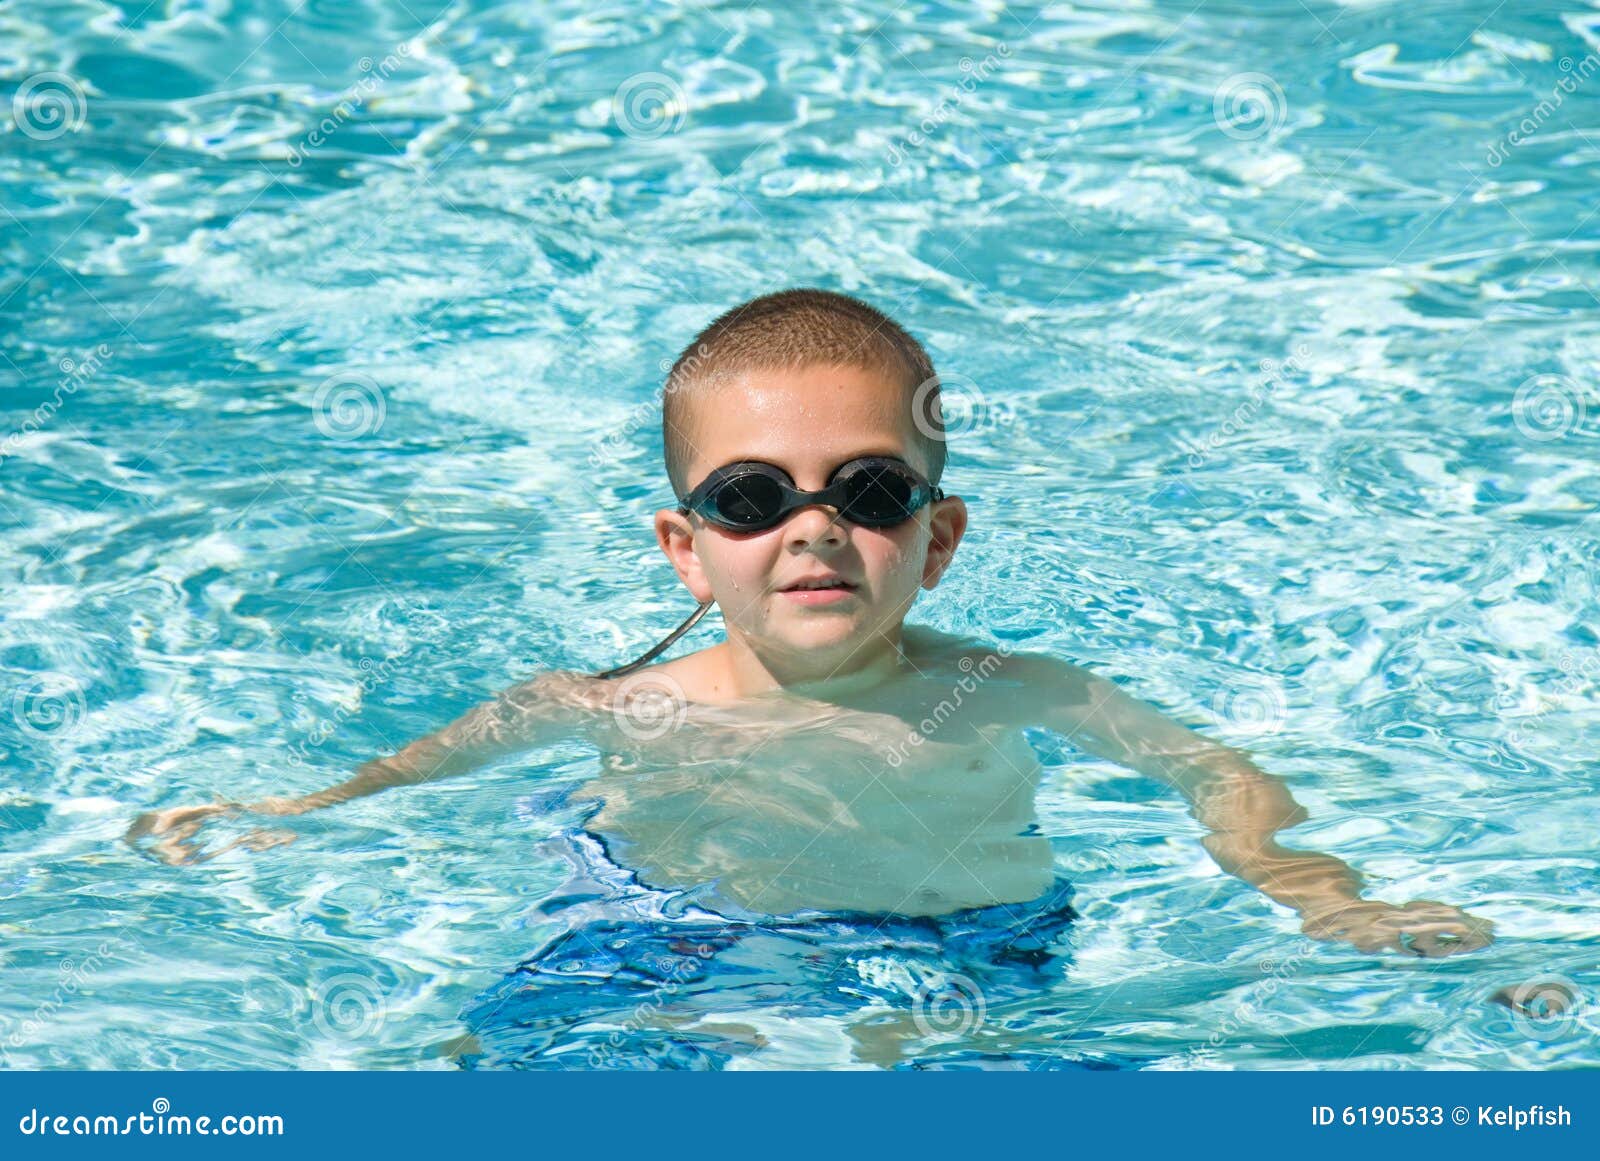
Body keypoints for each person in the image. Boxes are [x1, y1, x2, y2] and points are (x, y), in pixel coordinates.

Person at [127, 288, 1494, 1066]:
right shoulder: (594, 703)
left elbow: (1211, 768)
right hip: (655, 948)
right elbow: (406, 772)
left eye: (871, 488)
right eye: (749, 496)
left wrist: (1325, 900)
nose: (814, 526)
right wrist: (290, 813)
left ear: (937, 536)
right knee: (479, 1072)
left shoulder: (1020, 688)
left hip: (973, 964)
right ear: (685, 547)